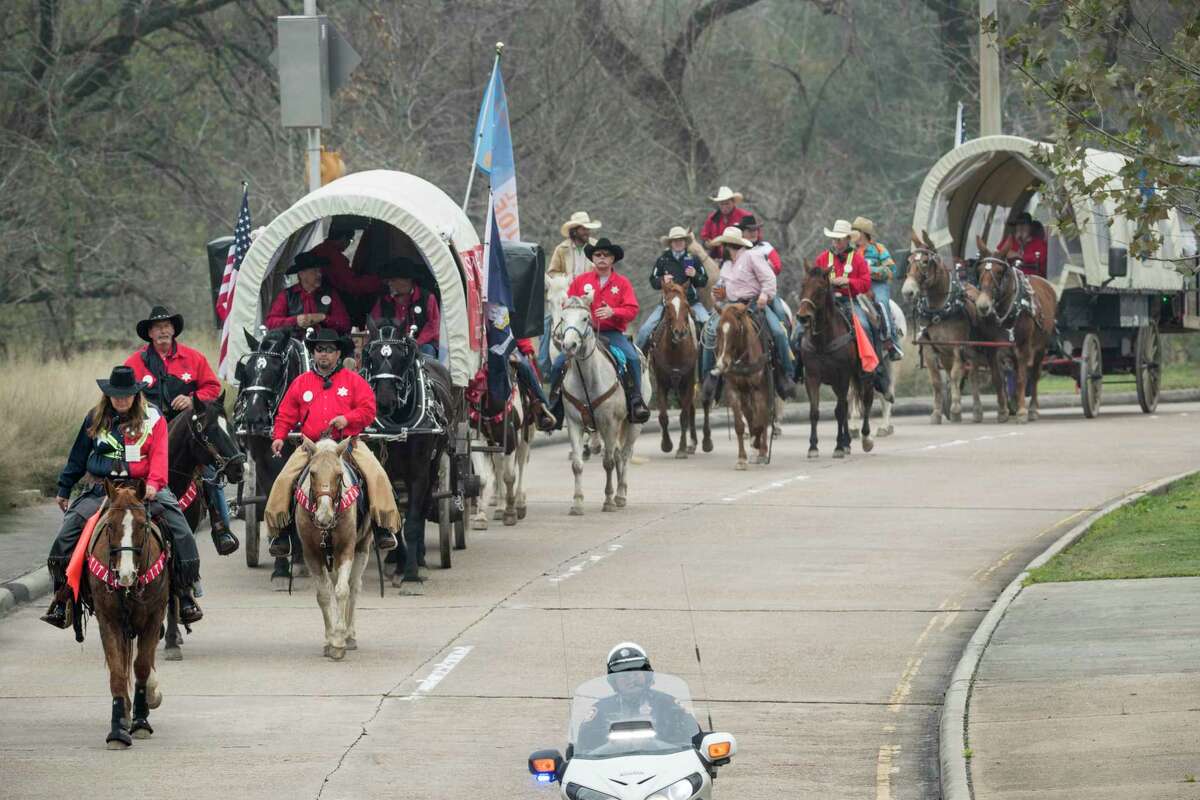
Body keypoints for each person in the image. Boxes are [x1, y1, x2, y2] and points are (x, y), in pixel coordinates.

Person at [40, 367, 203, 629]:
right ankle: (63, 598)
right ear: (108, 395)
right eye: (116, 395)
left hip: (144, 489)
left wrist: (153, 483)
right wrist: (64, 487)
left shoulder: (154, 418)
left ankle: (184, 594)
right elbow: (78, 457)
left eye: (126, 395)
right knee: (67, 534)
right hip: (101, 490)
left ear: (135, 394)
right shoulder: (94, 418)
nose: (122, 400)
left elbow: (160, 456)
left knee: (180, 529)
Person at [263, 329, 400, 556]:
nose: (323, 355)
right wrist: (279, 436)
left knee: (376, 475)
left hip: (346, 445)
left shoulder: (353, 381)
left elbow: (368, 410)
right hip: (311, 447)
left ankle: (382, 528)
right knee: (284, 479)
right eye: (319, 350)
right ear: (313, 353)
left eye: (329, 350)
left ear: (338, 354)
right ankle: (282, 533)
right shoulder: (301, 383)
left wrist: (347, 418)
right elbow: (285, 414)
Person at [124, 306, 239, 557]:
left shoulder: (193, 358)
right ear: (150, 334)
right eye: (158, 327)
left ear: (174, 330)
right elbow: (123, 395)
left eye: (168, 326)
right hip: (147, 434)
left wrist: (192, 398)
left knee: (210, 470)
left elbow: (212, 389)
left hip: (189, 433)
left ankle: (221, 528)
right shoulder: (135, 362)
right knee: (123, 470)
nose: (164, 330)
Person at [547, 238, 651, 425]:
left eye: (606, 255)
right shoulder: (580, 281)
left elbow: (632, 309)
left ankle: (636, 400)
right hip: (585, 335)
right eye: (598, 254)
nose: (602, 258)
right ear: (592, 258)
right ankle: (555, 405)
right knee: (558, 364)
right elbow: (568, 305)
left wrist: (613, 311)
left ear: (613, 259)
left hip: (612, 333)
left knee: (632, 358)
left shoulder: (622, 283)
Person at [701, 225, 797, 402]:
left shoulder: (753, 256)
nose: (725, 247)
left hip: (752, 304)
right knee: (711, 332)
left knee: (777, 332)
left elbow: (769, 279)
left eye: (726, 244)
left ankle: (786, 375)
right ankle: (710, 378)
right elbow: (720, 286)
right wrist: (717, 293)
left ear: (730, 244)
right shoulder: (727, 265)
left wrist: (764, 295)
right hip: (730, 306)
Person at [574, 643, 700, 753]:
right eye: (623, 676)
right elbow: (583, 749)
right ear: (614, 682)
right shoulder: (600, 709)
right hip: (612, 770)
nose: (631, 680)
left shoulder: (669, 703)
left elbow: (695, 739)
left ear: (647, 676)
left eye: (635, 673)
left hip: (665, 770)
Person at [634, 226, 713, 351]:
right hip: (668, 304)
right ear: (670, 243)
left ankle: (711, 364)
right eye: (675, 240)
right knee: (645, 330)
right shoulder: (663, 259)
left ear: (685, 241)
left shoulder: (693, 258)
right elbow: (653, 280)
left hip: (691, 302)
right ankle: (640, 363)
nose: (678, 243)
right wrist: (662, 280)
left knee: (710, 328)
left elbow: (704, 281)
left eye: (681, 240)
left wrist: (695, 275)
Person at [542, 212, 601, 375]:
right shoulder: (562, 249)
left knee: (603, 320)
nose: (587, 232)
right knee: (548, 323)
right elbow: (553, 272)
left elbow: (603, 270)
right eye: (583, 229)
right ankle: (544, 366)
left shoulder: (596, 247)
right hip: (567, 296)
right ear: (574, 230)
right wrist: (566, 281)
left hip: (590, 296)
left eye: (588, 229)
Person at [307, 221, 383, 327]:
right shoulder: (334, 256)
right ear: (343, 238)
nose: (348, 244)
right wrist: (378, 281)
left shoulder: (318, 250)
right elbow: (351, 284)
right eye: (350, 240)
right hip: (331, 304)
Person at [850, 217, 904, 361]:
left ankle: (890, 342)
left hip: (877, 285)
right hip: (856, 285)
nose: (853, 234)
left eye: (857, 231)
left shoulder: (879, 249)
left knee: (881, 303)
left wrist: (869, 270)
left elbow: (891, 269)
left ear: (864, 233)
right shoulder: (850, 252)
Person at [368, 256, 441, 358]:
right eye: (388, 280)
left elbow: (433, 327)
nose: (389, 283)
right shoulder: (383, 301)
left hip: (421, 345)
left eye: (393, 280)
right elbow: (374, 323)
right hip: (391, 344)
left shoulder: (428, 298)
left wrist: (416, 343)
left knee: (427, 350)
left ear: (407, 280)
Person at [265, 252, 352, 334]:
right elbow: (270, 323)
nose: (319, 275)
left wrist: (323, 317)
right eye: (314, 271)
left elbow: (345, 324)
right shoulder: (287, 295)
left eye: (319, 271)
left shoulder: (330, 293)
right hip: (294, 346)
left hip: (323, 345)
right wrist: (295, 321)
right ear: (302, 274)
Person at [738, 215, 791, 331]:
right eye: (749, 230)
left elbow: (777, 267)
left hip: (766, 294)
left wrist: (761, 268)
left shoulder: (766, 247)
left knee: (781, 318)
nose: (753, 233)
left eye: (755, 230)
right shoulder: (737, 250)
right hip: (741, 295)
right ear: (742, 232)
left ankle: (786, 347)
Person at [699, 186, 751, 258]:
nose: (724, 206)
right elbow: (704, 238)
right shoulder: (712, 219)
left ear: (733, 202)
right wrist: (708, 244)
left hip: (742, 256)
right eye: (721, 204)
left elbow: (755, 238)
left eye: (727, 203)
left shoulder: (745, 216)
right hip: (718, 258)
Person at [996, 211, 1048, 278]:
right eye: (1018, 224)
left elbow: (1040, 259)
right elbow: (998, 254)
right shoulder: (1009, 240)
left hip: (1032, 280)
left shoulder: (1040, 243)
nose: (1021, 227)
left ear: (1030, 227)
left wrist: (1019, 256)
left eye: (1024, 224)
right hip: (1009, 278)